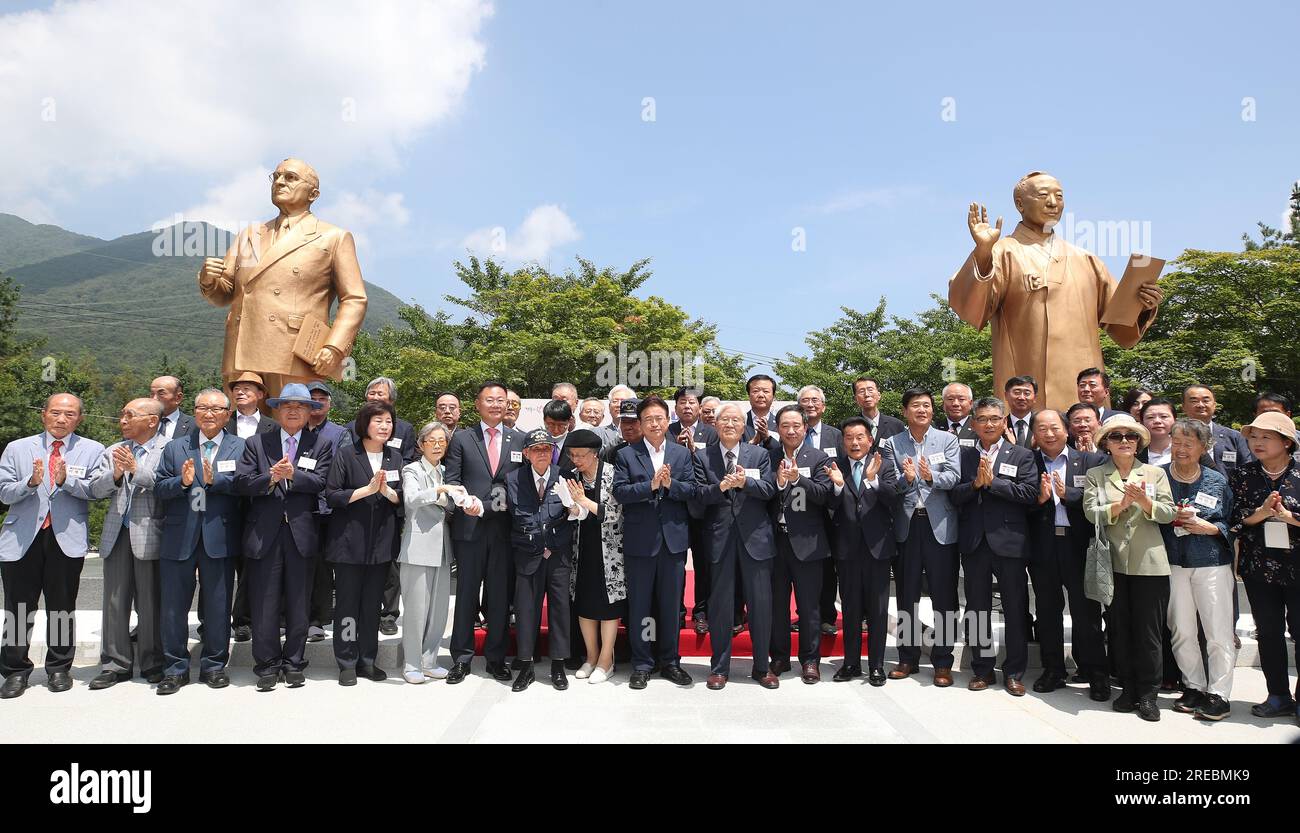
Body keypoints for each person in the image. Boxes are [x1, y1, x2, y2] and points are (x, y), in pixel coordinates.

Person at [949, 171, 1162, 411]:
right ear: (1020, 204)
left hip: (1083, 388)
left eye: (1059, 196)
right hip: (1025, 384)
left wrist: (1143, 304)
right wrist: (984, 253)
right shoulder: (1004, 251)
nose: (1053, 202)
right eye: (1043, 195)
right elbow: (969, 307)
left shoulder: (1086, 259)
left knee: (1087, 432)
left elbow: (1121, 326)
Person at [196, 157, 367, 395]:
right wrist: (209, 280)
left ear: (313, 194)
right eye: (275, 177)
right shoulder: (251, 235)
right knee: (243, 426)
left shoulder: (333, 237)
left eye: (291, 177)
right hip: (243, 349)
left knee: (291, 426)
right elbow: (225, 294)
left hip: (294, 352)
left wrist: (334, 347)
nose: (280, 182)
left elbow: (354, 299)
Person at [0, 394, 105, 699]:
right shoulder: (18, 448)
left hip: (65, 537)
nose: (61, 419)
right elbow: (4, 493)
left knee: (61, 606)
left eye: (69, 414)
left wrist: (66, 482)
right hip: (22, 538)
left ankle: (59, 668)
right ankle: (16, 670)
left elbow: (97, 491)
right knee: (19, 608)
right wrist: (30, 483)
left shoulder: (91, 450)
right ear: (43, 414)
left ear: (80, 419)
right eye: (56, 413)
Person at [234, 383, 334, 692]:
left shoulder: (320, 444)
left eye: (301, 406)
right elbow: (242, 482)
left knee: (298, 602)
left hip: (301, 534)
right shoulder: (257, 443)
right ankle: (266, 665)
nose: (293, 410)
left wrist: (293, 476)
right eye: (287, 405)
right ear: (277, 410)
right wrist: (271, 477)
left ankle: (293, 663)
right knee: (264, 603)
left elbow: (321, 481)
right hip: (264, 533)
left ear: (309, 412)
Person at [1083, 415, 1176, 721]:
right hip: (1113, 563)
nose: (1124, 441)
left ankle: (1149, 694)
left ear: (1139, 442)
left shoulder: (1154, 473)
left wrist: (1145, 503)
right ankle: (1127, 687)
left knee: (1149, 632)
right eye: (1116, 436)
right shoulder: (1097, 474)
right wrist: (1120, 506)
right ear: (1105, 443)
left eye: (1131, 436)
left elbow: (1167, 513)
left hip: (1149, 563)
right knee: (1120, 629)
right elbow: (1090, 512)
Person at [154, 388, 245, 693]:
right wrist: (181, 482)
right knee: (173, 607)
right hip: (179, 536)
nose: (208, 413)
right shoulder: (176, 447)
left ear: (227, 415)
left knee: (218, 605)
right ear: (194, 412)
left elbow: (245, 486)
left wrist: (213, 481)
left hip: (219, 535)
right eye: (202, 408)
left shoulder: (240, 447)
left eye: (216, 409)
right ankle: (175, 668)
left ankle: (214, 665)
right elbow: (159, 488)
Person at [951, 397, 1039, 695]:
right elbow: (954, 496)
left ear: (1004, 423)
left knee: (1015, 608)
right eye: (982, 419)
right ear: (973, 424)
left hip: (1010, 542)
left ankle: (1014, 672)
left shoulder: (1022, 455)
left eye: (994, 419)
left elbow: (1029, 493)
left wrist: (993, 484)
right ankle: (982, 670)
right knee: (976, 609)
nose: (988, 424)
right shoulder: (962, 456)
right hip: (975, 542)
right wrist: (975, 484)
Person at [444, 381, 526, 684]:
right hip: (469, 529)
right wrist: (467, 502)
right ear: (477, 404)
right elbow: (452, 480)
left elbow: (517, 485)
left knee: (499, 597)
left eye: (500, 400)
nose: (495, 405)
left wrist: (488, 506)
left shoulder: (520, 440)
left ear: (508, 405)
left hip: (504, 530)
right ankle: (462, 658)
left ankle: (496, 658)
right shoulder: (463, 439)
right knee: (465, 594)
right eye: (489, 400)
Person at [612, 395, 697, 690]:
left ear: (668, 419)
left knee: (671, 605)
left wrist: (671, 485)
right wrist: (650, 485)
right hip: (641, 541)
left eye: (659, 418)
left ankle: (670, 661)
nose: (654, 423)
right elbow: (620, 492)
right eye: (648, 419)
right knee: (641, 606)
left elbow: (692, 490)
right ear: (640, 423)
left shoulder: (682, 454)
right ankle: (643, 663)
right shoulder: (626, 454)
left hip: (673, 541)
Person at [693, 404, 778, 690]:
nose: (730, 424)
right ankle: (719, 668)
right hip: (720, 539)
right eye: (724, 419)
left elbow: (770, 490)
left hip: (756, 539)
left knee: (761, 605)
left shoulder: (760, 454)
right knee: (720, 606)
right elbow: (697, 495)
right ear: (715, 425)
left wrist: (745, 483)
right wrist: (720, 488)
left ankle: (762, 667)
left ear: (745, 426)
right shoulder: (702, 457)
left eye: (736, 420)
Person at [880, 388, 961, 686]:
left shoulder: (947, 440)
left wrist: (929, 477)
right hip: (907, 526)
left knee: (945, 598)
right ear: (905, 411)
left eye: (926, 405)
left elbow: (953, 477)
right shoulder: (892, 443)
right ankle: (907, 658)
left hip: (940, 527)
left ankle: (943, 662)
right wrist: (907, 479)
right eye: (916, 406)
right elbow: (889, 484)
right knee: (906, 596)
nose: (922, 410)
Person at [1027, 409, 1110, 699]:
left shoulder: (1091, 461)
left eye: (1054, 428)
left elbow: (1101, 498)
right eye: (1042, 429)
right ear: (1034, 435)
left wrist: (1067, 496)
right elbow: (1018, 503)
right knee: (1047, 611)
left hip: (1079, 545)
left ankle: (1095, 672)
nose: (1049, 434)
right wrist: (1039, 499)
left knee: (1086, 611)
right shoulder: (1028, 462)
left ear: (1066, 430)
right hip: (1043, 546)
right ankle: (1053, 670)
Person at [86, 398, 167, 690]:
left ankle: (152, 661)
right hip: (116, 533)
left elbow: (168, 485)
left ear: (152, 421)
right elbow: (94, 488)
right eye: (122, 415)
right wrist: (117, 474)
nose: (122, 420)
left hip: (150, 533)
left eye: (129, 415)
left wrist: (136, 470)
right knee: (114, 601)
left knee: (151, 602)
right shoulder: (112, 451)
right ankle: (115, 664)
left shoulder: (169, 449)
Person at [323, 400, 403, 685]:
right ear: (364, 424)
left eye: (389, 421)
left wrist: (385, 492)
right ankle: (346, 661)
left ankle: (367, 660)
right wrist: (366, 490)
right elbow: (332, 495)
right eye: (378, 421)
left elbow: (400, 498)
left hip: (381, 544)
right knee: (347, 606)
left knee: (371, 606)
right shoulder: (346, 455)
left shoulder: (395, 457)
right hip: (349, 544)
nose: (384, 426)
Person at [1160, 418, 1235, 721]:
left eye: (1189, 443)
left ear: (1204, 447)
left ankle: (1219, 693)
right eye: (1176, 442)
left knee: (1217, 630)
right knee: (1181, 629)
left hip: (1211, 563)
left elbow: (1232, 521)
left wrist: (1212, 528)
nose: (1181, 449)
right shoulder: (1159, 476)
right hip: (1172, 562)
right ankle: (1193, 686)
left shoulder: (1216, 480)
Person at [1229, 411, 1300, 726]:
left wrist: (1290, 518)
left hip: (1298, 567)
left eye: (1266, 437)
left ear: (1286, 443)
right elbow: (1232, 517)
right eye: (1253, 437)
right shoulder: (1242, 474)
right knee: (1269, 632)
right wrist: (1260, 513)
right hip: (1259, 567)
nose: (1257, 442)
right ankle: (1278, 695)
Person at [508, 430, 583, 691]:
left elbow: (579, 511)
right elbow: (515, 517)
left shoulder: (566, 476)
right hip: (528, 554)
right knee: (526, 610)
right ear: (526, 453)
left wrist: (575, 509)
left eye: (547, 449)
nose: (543, 453)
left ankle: (558, 666)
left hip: (558, 554)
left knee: (560, 610)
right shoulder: (513, 479)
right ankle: (526, 665)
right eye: (537, 449)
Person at [825, 417, 896, 685]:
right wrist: (838, 485)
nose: (854, 442)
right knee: (851, 609)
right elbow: (829, 504)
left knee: (877, 611)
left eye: (859, 437)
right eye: (849, 438)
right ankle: (851, 663)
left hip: (877, 548)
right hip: (846, 549)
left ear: (870, 440)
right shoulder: (836, 467)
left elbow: (894, 498)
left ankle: (876, 666)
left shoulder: (884, 465)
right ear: (843, 442)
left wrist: (873, 480)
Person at [767, 404, 833, 682]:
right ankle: (779, 657)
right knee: (777, 606)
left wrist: (798, 479)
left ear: (805, 428)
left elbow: (824, 495)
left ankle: (810, 660)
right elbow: (759, 493)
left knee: (809, 606)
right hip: (773, 543)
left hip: (808, 544)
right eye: (785, 426)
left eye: (796, 425)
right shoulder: (766, 457)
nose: (791, 430)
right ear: (778, 429)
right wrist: (779, 483)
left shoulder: (820, 458)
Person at [398, 423, 462, 683]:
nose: (437, 445)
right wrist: (440, 491)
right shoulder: (412, 469)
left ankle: (429, 660)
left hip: (443, 547)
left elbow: (454, 506)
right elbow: (411, 500)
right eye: (432, 441)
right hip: (418, 546)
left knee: (438, 610)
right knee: (415, 608)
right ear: (421, 444)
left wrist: (449, 495)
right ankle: (411, 664)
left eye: (442, 442)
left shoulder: (448, 471)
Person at [357, 376, 418, 636]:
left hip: (391, 504)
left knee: (390, 562)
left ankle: (389, 613)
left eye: (380, 394)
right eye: (371, 393)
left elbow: (409, 461)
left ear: (391, 400)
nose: (375, 397)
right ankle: (359, 609)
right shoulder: (353, 427)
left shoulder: (403, 428)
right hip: (357, 504)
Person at [564, 429, 626, 684]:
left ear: (595, 454)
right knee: (584, 601)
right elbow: (568, 511)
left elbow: (615, 514)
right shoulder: (571, 477)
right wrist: (571, 505)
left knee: (608, 604)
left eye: (580, 455)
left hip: (610, 550)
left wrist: (584, 502)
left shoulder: (613, 474)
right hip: (582, 547)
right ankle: (590, 657)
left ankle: (606, 660)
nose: (576, 460)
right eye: (572, 455)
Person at [795, 385, 844, 638]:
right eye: (805, 401)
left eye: (815, 401)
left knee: (827, 566)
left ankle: (826, 616)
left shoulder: (836, 435)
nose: (810, 404)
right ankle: (805, 614)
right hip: (800, 510)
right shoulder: (791, 436)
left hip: (831, 510)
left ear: (823, 406)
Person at [668, 386, 716, 632]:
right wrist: (676, 451)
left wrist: (694, 451)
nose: (687, 406)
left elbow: (714, 467)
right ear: (675, 408)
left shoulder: (712, 433)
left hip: (702, 510)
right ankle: (675, 610)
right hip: (674, 508)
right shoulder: (666, 432)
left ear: (699, 407)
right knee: (674, 564)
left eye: (692, 402)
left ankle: (702, 611)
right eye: (683, 402)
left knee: (703, 563)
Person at [304, 381, 349, 642]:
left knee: (323, 565)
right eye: (313, 398)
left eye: (323, 398)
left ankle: (319, 617)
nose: (318, 403)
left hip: (327, 509)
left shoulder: (339, 433)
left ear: (329, 404)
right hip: (298, 507)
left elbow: (337, 468)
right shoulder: (294, 430)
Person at [1183, 384, 1254, 474]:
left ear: (1214, 405)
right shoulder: (1173, 437)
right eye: (1194, 401)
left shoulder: (1234, 437)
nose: (1200, 405)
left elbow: (1247, 469)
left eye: (1205, 400)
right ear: (1184, 407)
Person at [853, 377, 905, 444]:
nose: (867, 394)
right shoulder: (848, 427)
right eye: (862, 391)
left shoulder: (896, 425)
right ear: (855, 399)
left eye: (870, 390)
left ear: (879, 395)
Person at [226, 372, 275, 438]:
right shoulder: (224, 421)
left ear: (260, 395)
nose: (240, 392)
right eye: (236, 389)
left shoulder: (273, 426)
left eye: (246, 388)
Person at [151, 376, 196, 441]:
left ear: (178, 397)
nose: (154, 399)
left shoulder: (195, 426)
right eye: (152, 394)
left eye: (161, 394)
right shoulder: (142, 423)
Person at [743, 374, 780, 451]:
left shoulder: (780, 423)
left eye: (766, 391)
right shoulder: (740, 422)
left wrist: (767, 438)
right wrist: (752, 442)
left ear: (773, 396)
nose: (760, 395)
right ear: (748, 395)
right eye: (755, 391)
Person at [1138, 398, 1177, 468]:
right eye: (1150, 417)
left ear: (1175, 420)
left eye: (1164, 416)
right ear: (1142, 422)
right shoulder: (1135, 452)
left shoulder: (1187, 448)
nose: (1157, 421)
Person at [1003, 375, 1038, 448]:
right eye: (1017, 392)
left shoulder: (1041, 425)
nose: (1021, 397)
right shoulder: (1001, 427)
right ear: (1006, 395)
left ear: (1035, 398)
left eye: (1027, 393)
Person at [600, 385, 636, 451]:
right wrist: (619, 438)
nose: (619, 405)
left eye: (623, 401)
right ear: (609, 407)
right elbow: (598, 456)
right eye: (615, 401)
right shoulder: (598, 432)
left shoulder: (643, 431)